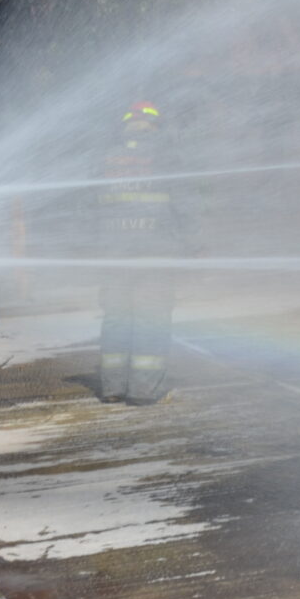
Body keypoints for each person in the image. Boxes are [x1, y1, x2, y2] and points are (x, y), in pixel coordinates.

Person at [98, 101, 177, 405]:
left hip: (112, 254)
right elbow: (184, 204)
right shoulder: (168, 156)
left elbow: (87, 205)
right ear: (155, 126)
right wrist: (193, 245)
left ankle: (112, 387)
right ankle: (145, 388)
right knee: (151, 319)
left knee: (116, 317)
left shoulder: (105, 158)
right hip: (155, 253)